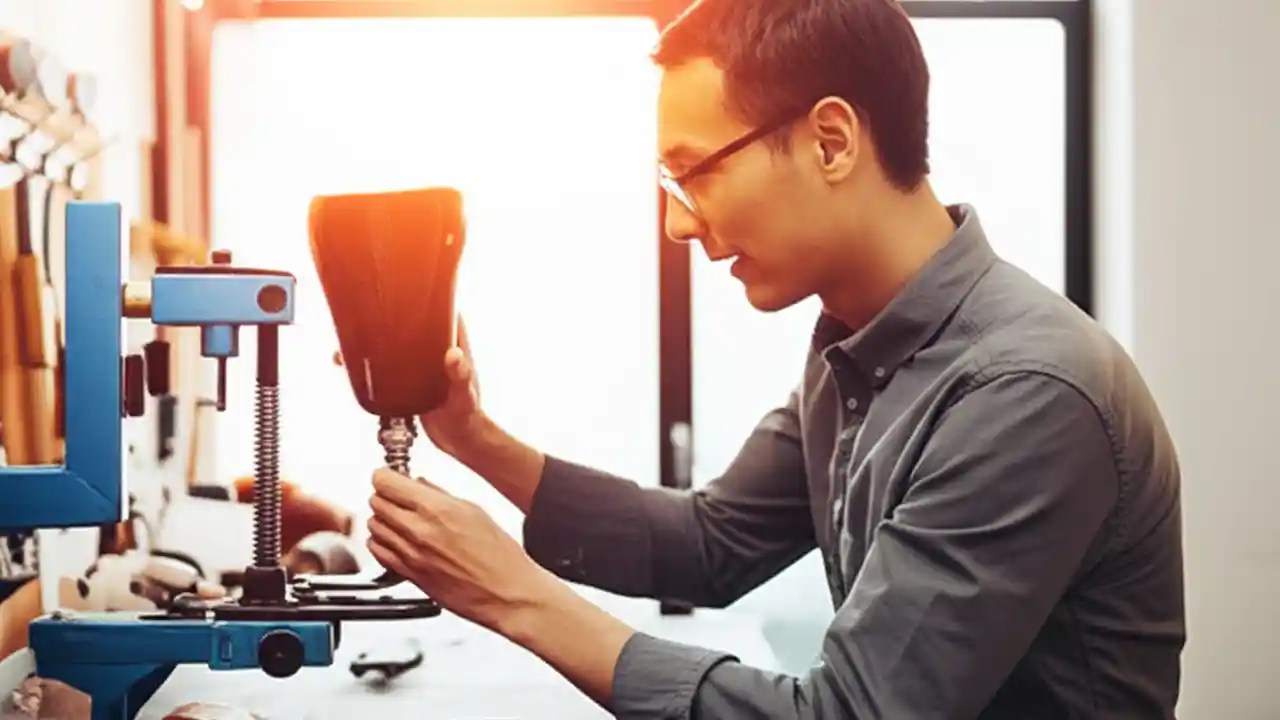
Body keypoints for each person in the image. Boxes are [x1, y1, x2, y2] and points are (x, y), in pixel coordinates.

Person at [364, 0, 1186, 717]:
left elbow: (852, 714)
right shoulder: (858, 349)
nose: (679, 224)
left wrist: (516, 596)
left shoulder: (1025, 394)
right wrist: (472, 440)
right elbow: (710, 543)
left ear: (831, 141)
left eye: (694, 173)